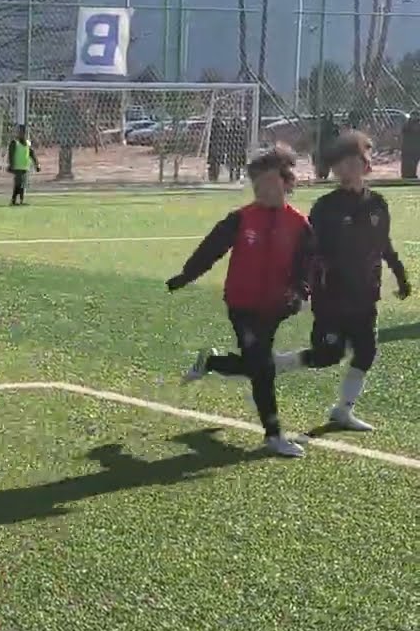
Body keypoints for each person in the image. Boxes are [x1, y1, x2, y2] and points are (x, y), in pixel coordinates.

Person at [166, 144, 312, 458]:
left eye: (268, 182)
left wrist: (302, 290)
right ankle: (274, 435)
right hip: (242, 305)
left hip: (275, 307)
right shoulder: (241, 219)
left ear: (287, 182)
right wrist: (186, 275)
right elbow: (211, 249)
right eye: (256, 183)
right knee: (263, 367)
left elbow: (307, 265)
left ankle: (212, 362)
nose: (261, 189)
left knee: (255, 364)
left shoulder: (299, 224)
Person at [271, 131, 410, 431]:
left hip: (365, 293)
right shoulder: (326, 207)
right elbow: (306, 249)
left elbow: (383, 244)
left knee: (366, 351)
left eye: (351, 161)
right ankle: (277, 365)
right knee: (327, 355)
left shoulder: (378, 204)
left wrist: (400, 275)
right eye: (339, 164)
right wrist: (299, 285)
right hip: (332, 295)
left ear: (365, 164)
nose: (344, 169)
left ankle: (343, 411)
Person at [6, 124, 40, 206]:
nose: (22, 134)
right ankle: (14, 200)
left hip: (25, 167)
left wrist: (37, 164)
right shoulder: (15, 143)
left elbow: (32, 154)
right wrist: (11, 165)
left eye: (24, 132)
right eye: (20, 132)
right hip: (17, 167)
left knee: (23, 184)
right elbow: (11, 155)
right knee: (18, 184)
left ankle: (20, 200)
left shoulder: (28, 143)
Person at [400, 110, 420, 180]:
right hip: (409, 147)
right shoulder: (407, 124)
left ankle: (411, 175)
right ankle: (407, 175)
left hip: (415, 147)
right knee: (407, 162)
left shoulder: (409, 124)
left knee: (413, 162)